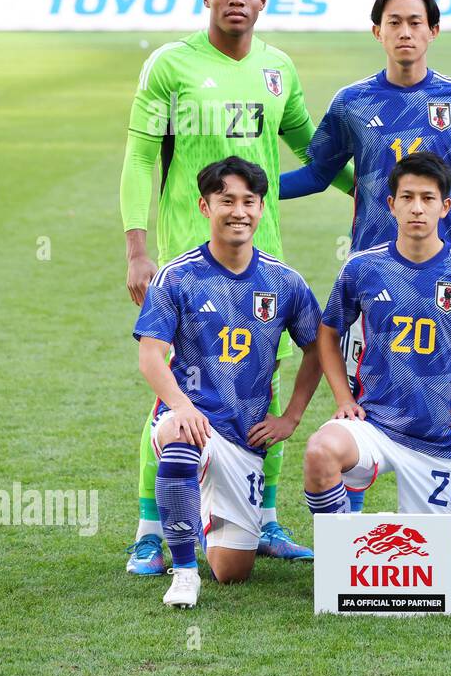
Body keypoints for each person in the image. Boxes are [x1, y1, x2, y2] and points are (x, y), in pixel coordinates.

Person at [121, 0, 348, 573]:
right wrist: (139, 249)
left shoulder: (278, 68)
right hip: (185, 251)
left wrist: (367, 191)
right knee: (172, 391)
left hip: (263, 251)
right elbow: (141, 159)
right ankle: (150, 528)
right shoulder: (170, 66)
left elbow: (310, 146)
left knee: (259, 384)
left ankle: (264, 518)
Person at [278, 0, 451, 511]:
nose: (405, 32)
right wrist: (253, 190)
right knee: (358, 410)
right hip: (368, 282)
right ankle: (350, 546)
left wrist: (450, 205)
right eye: (393, 22)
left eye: (415, 22)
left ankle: (438, 510)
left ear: (433, 31)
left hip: (442, 282)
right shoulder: (352, 102)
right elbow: (318, 173)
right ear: (377, 31)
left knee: (439, 409)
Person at [133, 158, 324, 608]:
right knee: (180, 439)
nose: (238, 211)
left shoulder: (285, 281)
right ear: (205, 206)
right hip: (192, 417)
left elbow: (319, 348)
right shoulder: (177, 276)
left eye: (248, 202)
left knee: (232, 573)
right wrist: (180, 405)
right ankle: (182, 572)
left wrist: (291, 417)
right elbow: (150, 356)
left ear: (261, 209)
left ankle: (202, 508)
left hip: (245, 439)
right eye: (226, 201)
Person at [302, 152, 451, 516]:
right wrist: (344, 398)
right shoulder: (363, 267)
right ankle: (340, 552)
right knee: (319, 451)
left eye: (427, 198)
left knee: (436, 564)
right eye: (407, 198)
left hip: (440, 437)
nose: (417, 208)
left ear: (445, 206)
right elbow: (328, 333)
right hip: (373, 424)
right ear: (391, 205)